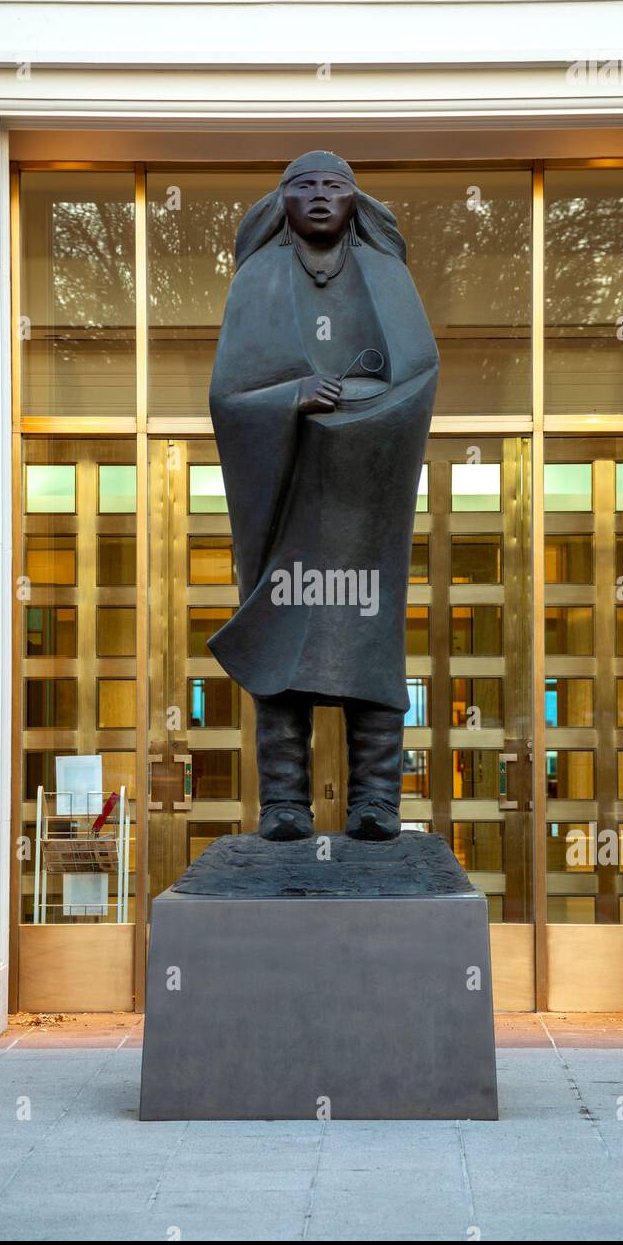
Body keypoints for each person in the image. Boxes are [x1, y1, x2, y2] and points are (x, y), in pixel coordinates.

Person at [208, 151, 439, 841]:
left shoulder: (387, 276)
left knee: (369, 646)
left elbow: (419, 373)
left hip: (364, 500)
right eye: (302, 185)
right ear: (281, 202)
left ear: (352, 201)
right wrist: (294, 397)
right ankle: (283, 802)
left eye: (332, 186)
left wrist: (359, 407)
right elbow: (228, 396)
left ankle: (377, 800)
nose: (317, 196)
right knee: (281, 645)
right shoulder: (257, 281)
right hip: (286, 497)